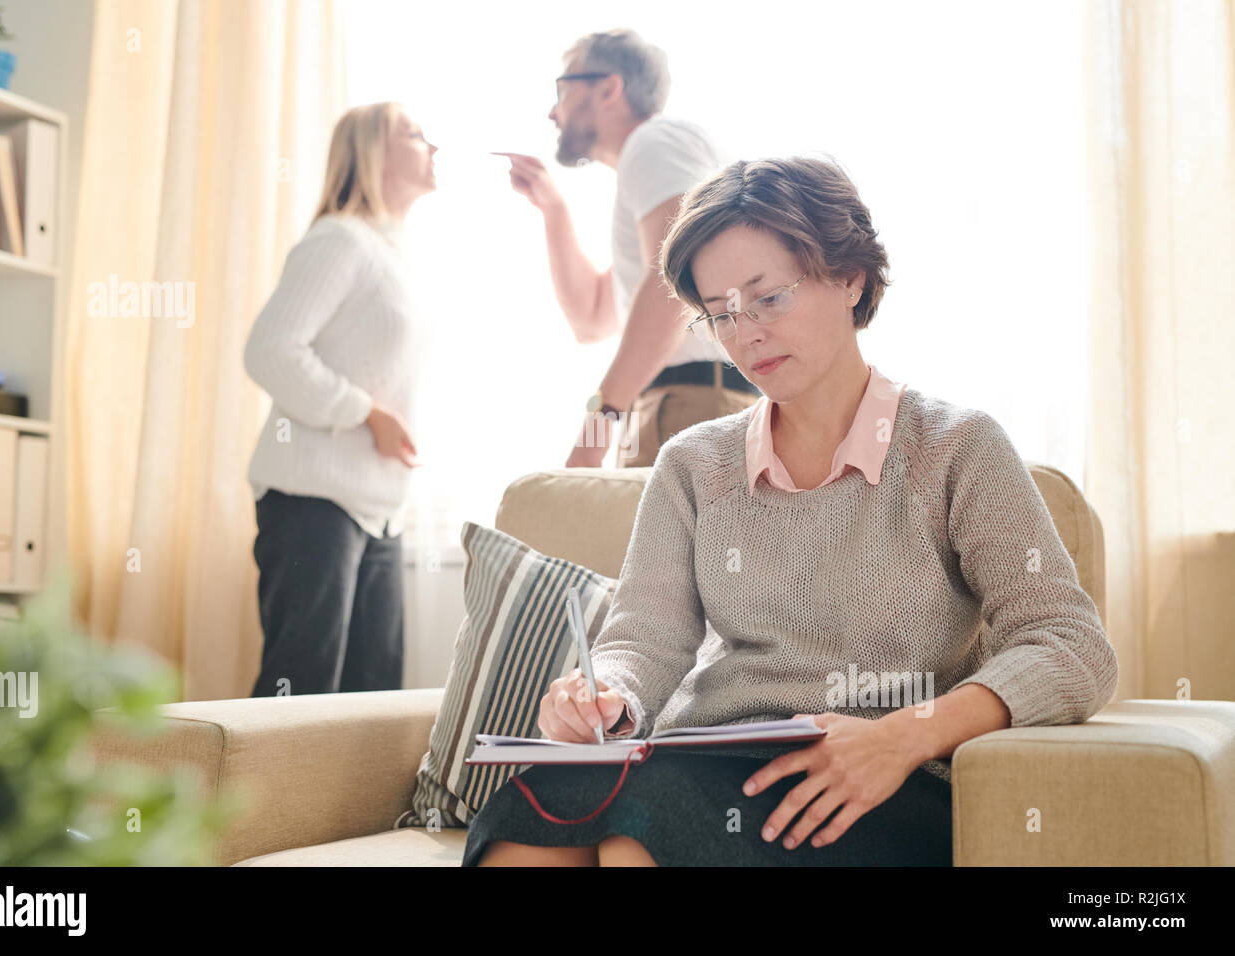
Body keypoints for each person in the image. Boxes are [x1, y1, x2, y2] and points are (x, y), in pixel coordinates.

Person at [463, 156, 1119, 866]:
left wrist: (905, 734)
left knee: (638, 830)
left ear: (850, 278)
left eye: (768, 297)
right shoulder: (693, 465)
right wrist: (607, 694)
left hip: (881, 780)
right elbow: (644, 640)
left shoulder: (956, 448)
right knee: (533, 823)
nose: (745, 333)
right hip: (709, 761)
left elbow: (1070, 643)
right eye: (720, 314)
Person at [497, 28, 761, 469]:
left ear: (610, 88)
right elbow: (592, 318)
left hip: (688, 403)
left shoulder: (653, 142)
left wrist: (594, 433)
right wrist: (554, 211)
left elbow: (671, 289)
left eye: (562, 89)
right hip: (673, 402)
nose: (551, 112)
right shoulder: (652, 159)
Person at [244, 103, 436, 697]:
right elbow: (270, 350)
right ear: (372, 153)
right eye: (414, 132)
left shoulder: (393, 257)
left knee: (370, 702)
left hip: (377, 509)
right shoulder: (340, 240)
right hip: (313, 504)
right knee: (298, 694)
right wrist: (364, 414)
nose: (433, 144)